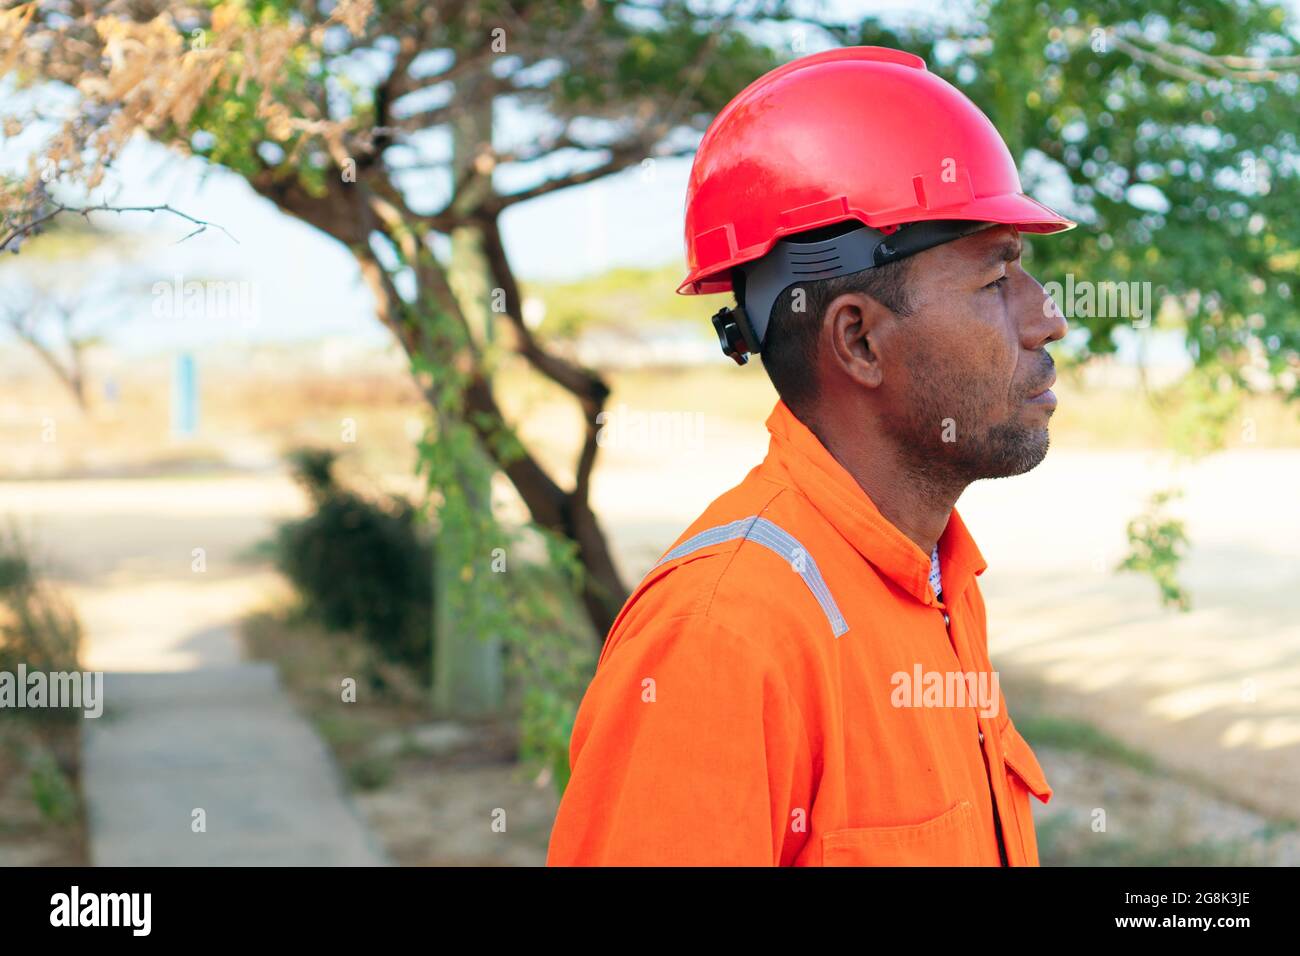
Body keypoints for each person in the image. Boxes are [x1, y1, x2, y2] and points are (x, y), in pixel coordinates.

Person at [547, 46, 1073, 866]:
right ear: (860, 340)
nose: (1046, 319)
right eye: (993, 279)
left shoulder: (938, 579)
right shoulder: (720, 639)